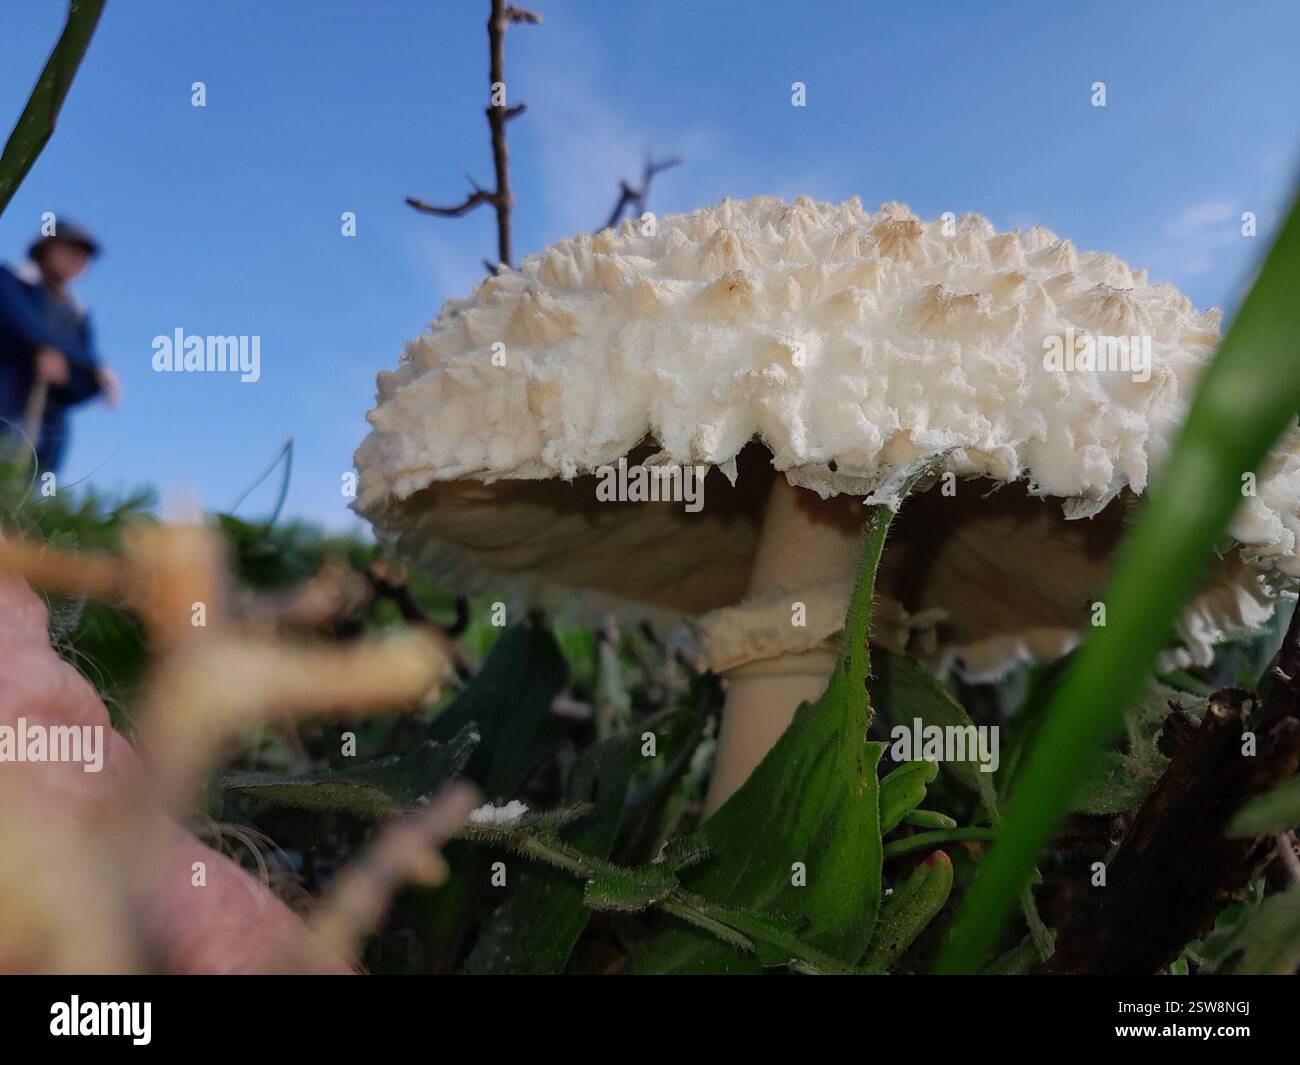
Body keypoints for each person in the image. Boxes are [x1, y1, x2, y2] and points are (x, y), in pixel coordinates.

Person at [0, 221, 120, 473]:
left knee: (23, 500)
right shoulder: (9, 281)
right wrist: (93, 366)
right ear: (45, 247)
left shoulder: (77, 316)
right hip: (7, 409)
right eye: (70, 248)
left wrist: (69, 374)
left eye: (84, 254)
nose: (77, 257)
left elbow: (86, 382)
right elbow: (20, 321)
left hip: (47, 432)